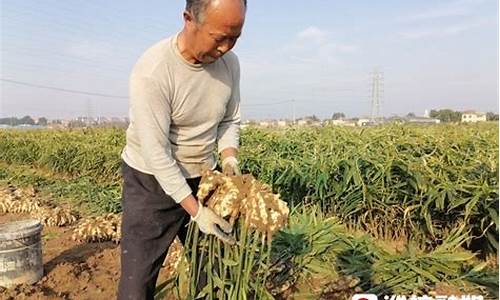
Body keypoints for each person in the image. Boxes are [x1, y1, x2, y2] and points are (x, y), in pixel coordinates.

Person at [117, 0, 246, 298]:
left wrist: (228, 160)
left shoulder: (230, 64)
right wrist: (196, 212)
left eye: (235, 37)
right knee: (137, 284)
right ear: (189, 19)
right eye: (219, 37)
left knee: (213, 270)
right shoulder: (154, 71)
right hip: (150, 182)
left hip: (203, 177)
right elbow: (156, 153)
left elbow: (229, 119)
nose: (226, 47)